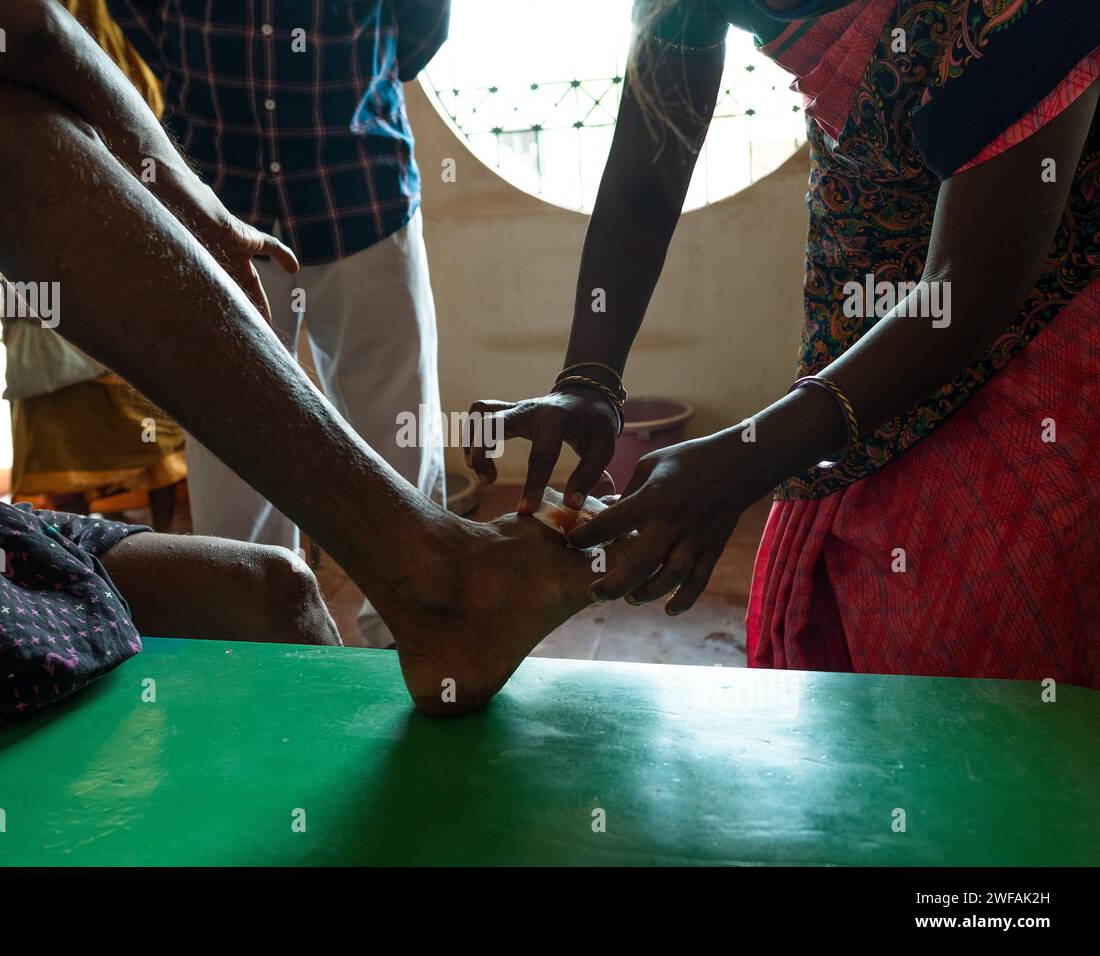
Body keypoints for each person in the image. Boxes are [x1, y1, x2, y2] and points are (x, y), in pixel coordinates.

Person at [0, 0, 606, 801]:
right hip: (226, 185)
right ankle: (435, 576)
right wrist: (186, 197)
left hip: (355, 194)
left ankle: (416, 599)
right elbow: (18, 24)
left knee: (273, 589)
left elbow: (419, 30)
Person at [469, 0, 1100, 688]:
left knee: (977, 650)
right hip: (863, 318)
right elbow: (648, 179)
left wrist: (744, 461)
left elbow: (966, 291)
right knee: (857, 633)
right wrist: (587, 380)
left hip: (1045, 325)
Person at [108, 1, 452, 646]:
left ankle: (411, 633)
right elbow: (139, 19)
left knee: (397, 435)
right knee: (232, 451)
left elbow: (421, 29)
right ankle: (261, 642)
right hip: (217, 209)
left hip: (363, 198)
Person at [3, 0, 187, 530]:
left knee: (141, 394)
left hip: (126, 216)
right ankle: (85, 547)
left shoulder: (127, 19)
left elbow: (147, 108)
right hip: (34, 216)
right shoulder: (18, 20)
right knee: (60, 402)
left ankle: (151, 540)